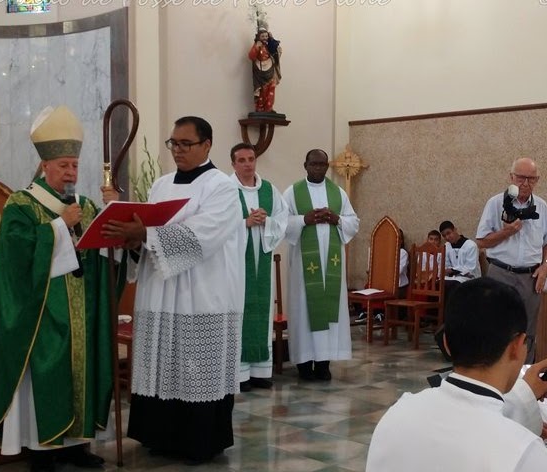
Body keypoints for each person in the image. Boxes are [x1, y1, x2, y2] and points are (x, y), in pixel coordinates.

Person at [104, 116, 246, 464]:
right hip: (160, 291)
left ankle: (199, 442)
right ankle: (158, 435)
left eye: (186, 144)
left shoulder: (223, 188)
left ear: (206, 145)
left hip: (202, 294)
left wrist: (146, 235)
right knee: (162, 364)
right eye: (173, 144)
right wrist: (132, 235)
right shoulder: (161, 185)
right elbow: (147, 233)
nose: (178, 150)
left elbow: (204, 235)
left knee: (197, 368)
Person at [0, 105, 120, 472]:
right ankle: (42, 450)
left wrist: (115, 217)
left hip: (83, 311)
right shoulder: (22, 204)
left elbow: (103, 250)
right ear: (45, 167)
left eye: (75, 165)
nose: (71, 173)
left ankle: (77, 446)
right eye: (63, 166)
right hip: (42, 313)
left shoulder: (86, 205)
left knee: (84, 373)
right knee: (47, 373)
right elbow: (17, 256)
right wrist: (59, 227)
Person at [366, 277, 547, 472]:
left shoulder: (395, 416)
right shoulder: (527, 456)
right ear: (517, 347)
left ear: (446, 344)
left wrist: (525, 394)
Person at [283, 149, 360, 381]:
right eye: (314, 164)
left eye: (323, 165)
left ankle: (324, 363)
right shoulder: (292, 193)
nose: (318, 168)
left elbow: (353, 221)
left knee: (328, 309)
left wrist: (336, 219)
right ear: (305, 165)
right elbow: (280, 222)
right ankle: (304, 364)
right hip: (302, 268)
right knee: (304, 310)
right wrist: (303, 220)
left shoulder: (337, 193)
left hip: (331, 265)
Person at [476, 158, 547, 363]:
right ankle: (494, 375)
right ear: (511, 177)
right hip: (500, 273)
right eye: (521, 178)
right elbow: (482, 242)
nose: (525, 183)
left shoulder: (542, 206)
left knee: (527, 331)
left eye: (531, 179)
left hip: (531, 276)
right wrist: (506, 232)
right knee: (496, 327)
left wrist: (545, 268)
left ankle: (523, 378)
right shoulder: (495, 203)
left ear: (537, 180)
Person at [229, 142, 288, 392]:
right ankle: (239, 376)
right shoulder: (226, 189)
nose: (247, 164)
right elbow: (216, 225)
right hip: (236, 265)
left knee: (261, 314)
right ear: (233, 164)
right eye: (241, 160)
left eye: (251, 159)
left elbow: (282, 221)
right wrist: (245, 222)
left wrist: (268, 221)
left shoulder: (270, 190)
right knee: (240, 312)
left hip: (261, 258)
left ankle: (260, 372)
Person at [439, 220, 481, 303]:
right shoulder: (446, 246)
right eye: (444, 236)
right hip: (452, 277)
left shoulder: (470, 245)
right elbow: (445, 264)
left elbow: (471, 267)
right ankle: (438, 313)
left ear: (455, 230)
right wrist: (446, 270)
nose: (447, 237)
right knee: (437, 284)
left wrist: (453, 270)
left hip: (469, 278)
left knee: (452, 286)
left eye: (449, 233)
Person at [249, 27, 282, 113]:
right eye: (262, 36)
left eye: (266, 36)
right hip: (261, 71)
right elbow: (251, 56)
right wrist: (256, 47)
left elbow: (276, 50)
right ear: (259, 37)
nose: (264, 38)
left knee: (272, 87)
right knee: (263, 89)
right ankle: (260, 107)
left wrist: (272, 38)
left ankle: (269, 107)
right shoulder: (257, 45)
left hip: (270, 68)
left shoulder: (269, 45)